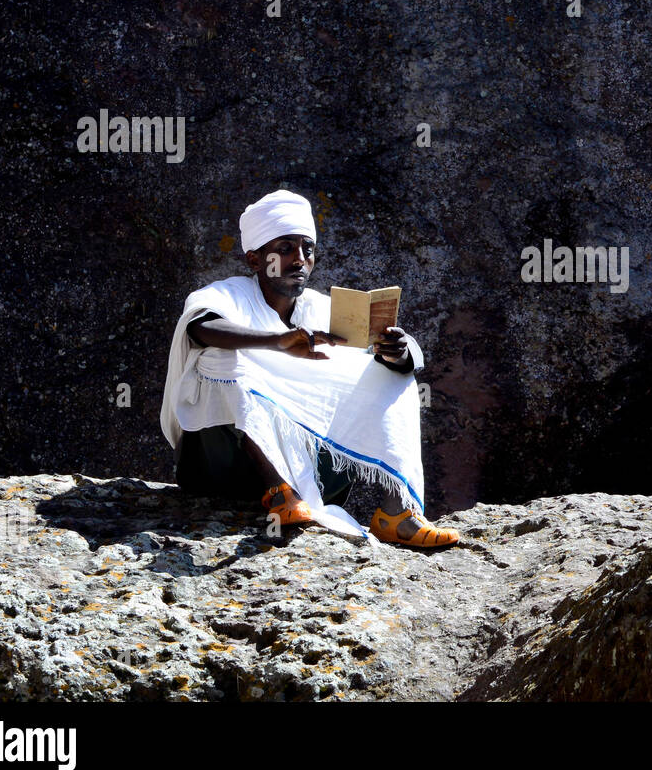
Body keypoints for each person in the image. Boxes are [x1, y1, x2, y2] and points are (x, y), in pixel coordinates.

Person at [159, 189, 459, 548]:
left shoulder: (322, 310)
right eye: (285, 248)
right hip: (221, 466)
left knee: (390, 372)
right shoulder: (225, 296)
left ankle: (397, 513)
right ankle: (279, 491)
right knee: (227, 356)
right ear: (255, 260)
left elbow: (402, 355)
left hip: (310, 474)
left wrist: (400, 351)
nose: (300, 259)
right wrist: (276, 343)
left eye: (307, 249)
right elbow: (200, 327)